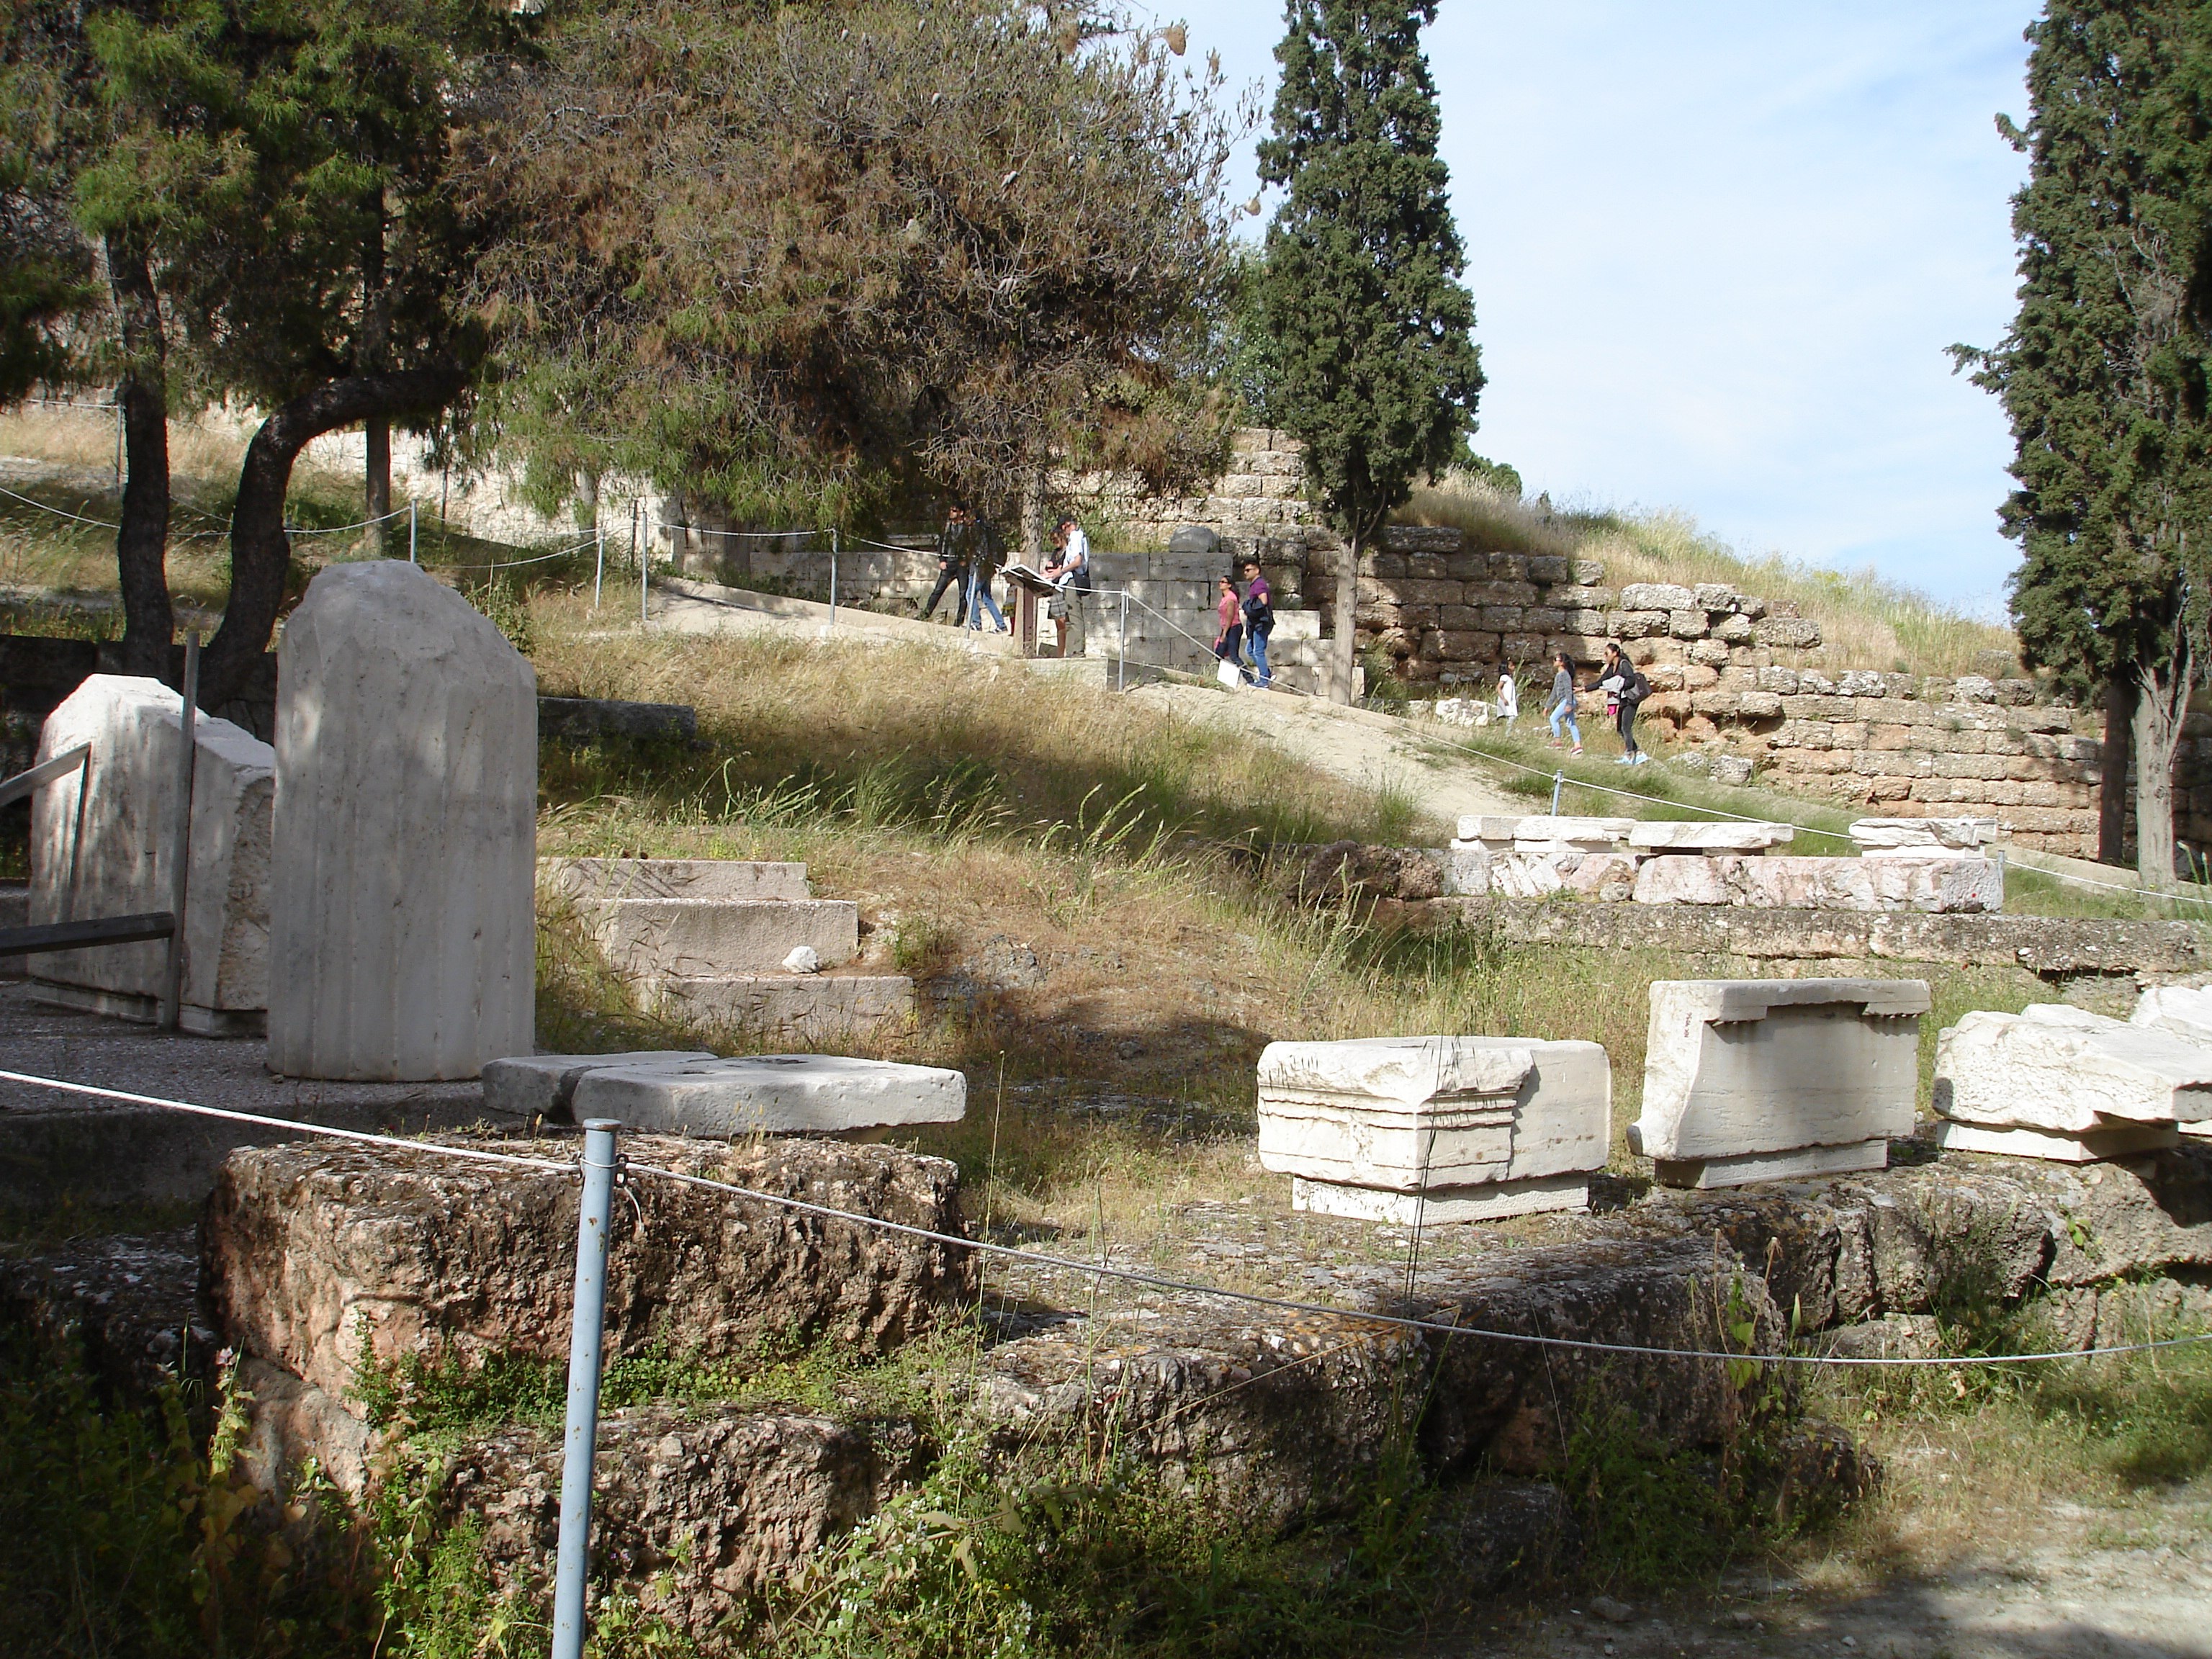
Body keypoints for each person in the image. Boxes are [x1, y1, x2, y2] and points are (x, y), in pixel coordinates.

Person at [1043, 514, 1091, 657]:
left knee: (1075, 617)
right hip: (1066, 581)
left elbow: (1077, 561)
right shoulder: (1075, 538)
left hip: (1072, 579)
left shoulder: (1076, 537)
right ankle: (1071, 652)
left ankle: (1078, 651)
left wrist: (1061, 571)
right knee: (1069, 618)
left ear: (1066, 525)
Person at [1599, 640, 1650, 765]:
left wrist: (1618, 685)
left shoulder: (1624, 664)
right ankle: (1639, 753)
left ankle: (1629, 755)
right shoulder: (1613, 668)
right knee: (1620, 729)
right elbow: (1602, 681)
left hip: (1631, 700)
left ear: (1615, 653)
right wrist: (1584, 689)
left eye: (1607, 653)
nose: (1605, 656)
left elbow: (1631, 680)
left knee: (1626, 727)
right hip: (1623, 699)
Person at [922, 503, 974, 624]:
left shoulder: (968, 528)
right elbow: (941, 545)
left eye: (954, 511)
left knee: (963, 594)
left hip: (962, 566)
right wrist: (942, 560)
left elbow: (971, 546)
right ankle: (925, 614)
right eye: (951, 510)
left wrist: (966, 560)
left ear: (961, 513)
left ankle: (959, 621)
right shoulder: (947, 527)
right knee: (938, 590)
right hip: (949, 563)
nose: (951, 513)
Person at [965, 511, 1008, 632]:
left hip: (980, 568)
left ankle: (976, 623)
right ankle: (1001, 624)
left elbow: (980, 551)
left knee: (970, 594)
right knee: (986, 598)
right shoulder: (986, 529)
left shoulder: (977, 530)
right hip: (987, 567)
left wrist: (978, 568)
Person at [1238, 557, 1274, 688]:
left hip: (1261, 623)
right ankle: (1266, 674)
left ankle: (1264, 681)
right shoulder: (1255, 584)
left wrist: (1250, 609)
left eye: (1248, 570)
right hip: (1256, 623)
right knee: (1250, 650)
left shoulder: (1259, 584)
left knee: (1258, 651)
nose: (1245, 573)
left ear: (1257, 570)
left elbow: (1263, 601)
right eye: (1245, 570)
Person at [1545, 651, 1583, 755]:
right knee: (1571, 723)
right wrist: (1548, 706)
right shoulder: (1559, 675)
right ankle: (1577, 746)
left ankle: (1557, 742)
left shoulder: (1565, 675)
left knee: (1553, 719)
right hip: (1566, 701)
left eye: (1556, 660)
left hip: (1567, 700)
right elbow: (1554, 692)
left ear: (1562, 663)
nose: (1554, 661)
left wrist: (1569, 704)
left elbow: (1568, 690)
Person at [1213, 575, 1244, 674]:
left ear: (1229, 585)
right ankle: (1226, 676)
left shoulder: (1231, 598)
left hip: (1233, 628)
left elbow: (1230, 616)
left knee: (1234, 656)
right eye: (1220, 582)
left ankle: (1249, 678)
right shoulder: (1225, 598)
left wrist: (1224, 633)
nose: (1220, 584)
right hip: (1227, 627)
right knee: (1219, 653)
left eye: (1223, 582)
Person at [1494, 662, 1520, 728]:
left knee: (1512, 717)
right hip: (1506, 701)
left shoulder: (1509, 678)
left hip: (1510, 701)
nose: (1514, 667)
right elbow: (1498, 687)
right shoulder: (1504, 677)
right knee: (1512, 717)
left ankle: (1509, 730)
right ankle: (1508, 732)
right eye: (1511, 666)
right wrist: (1503, 699)